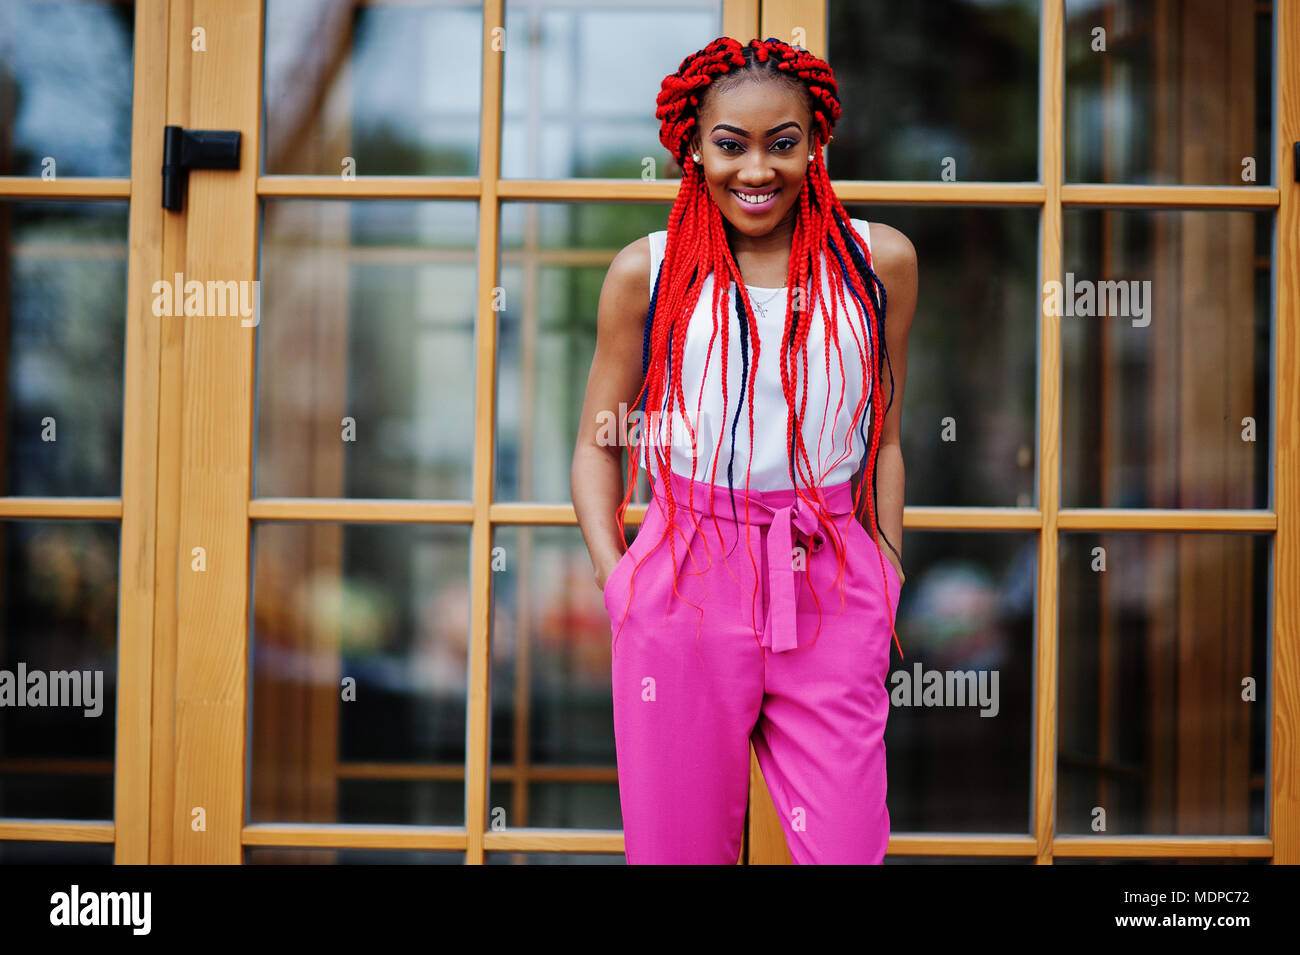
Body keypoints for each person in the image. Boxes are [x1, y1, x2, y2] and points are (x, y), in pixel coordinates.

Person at [571, 36, 917, 864]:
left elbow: (887, 436)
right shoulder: (645, 274)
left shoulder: (881, 264)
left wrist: (888, 568)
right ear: (693, 145)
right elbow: (596, 446)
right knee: (678, 851)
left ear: (816, 144)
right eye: (731, 144)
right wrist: (618, 578)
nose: (756, 169)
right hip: (683, 578)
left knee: (845, 848)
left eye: (783, 143)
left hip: (828, 569)